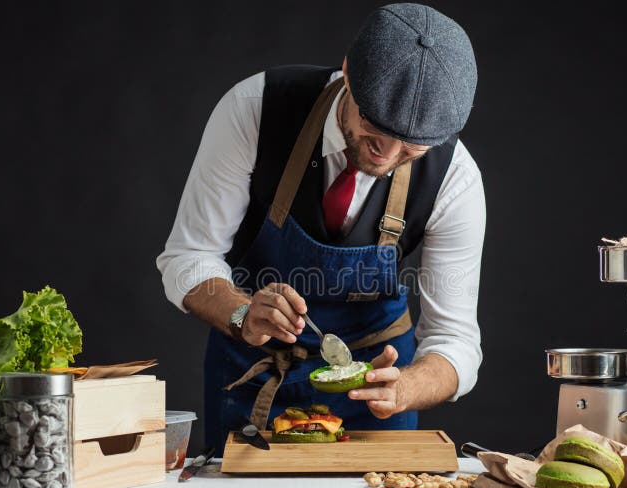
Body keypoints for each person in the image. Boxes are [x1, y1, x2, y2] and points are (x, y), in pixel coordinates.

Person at [157, 3, 485, 453]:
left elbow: (456, 339)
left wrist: (407, 386)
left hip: (374, 399)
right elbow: (188, 257)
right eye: (373, 130)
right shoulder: (257, 109)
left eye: (411, 150)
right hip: (252, 373)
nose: (385, 158)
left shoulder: (455, 176)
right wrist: (241, 313)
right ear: (347, 73)